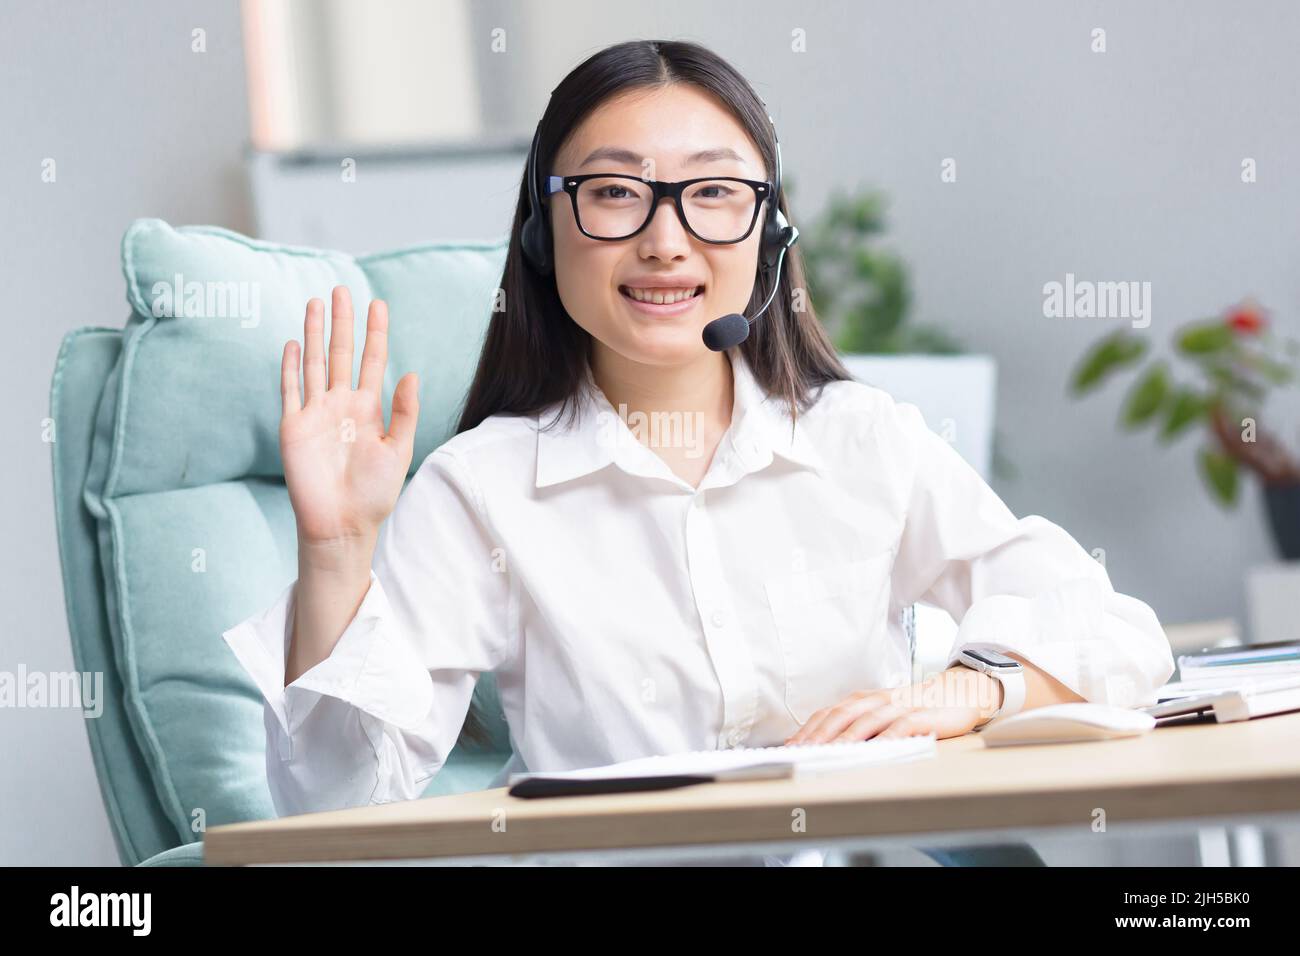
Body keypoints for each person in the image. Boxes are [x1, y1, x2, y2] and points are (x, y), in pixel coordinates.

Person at [222, 39, 1175, 866]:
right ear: (542, 235)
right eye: (615, 193)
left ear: (768, 233)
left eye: (715, 193)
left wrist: (971, 688)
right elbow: (338, 812)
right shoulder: (484, 487)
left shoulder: (861, 438)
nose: (666, 240)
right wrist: (338, 551)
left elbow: (1119, 632)